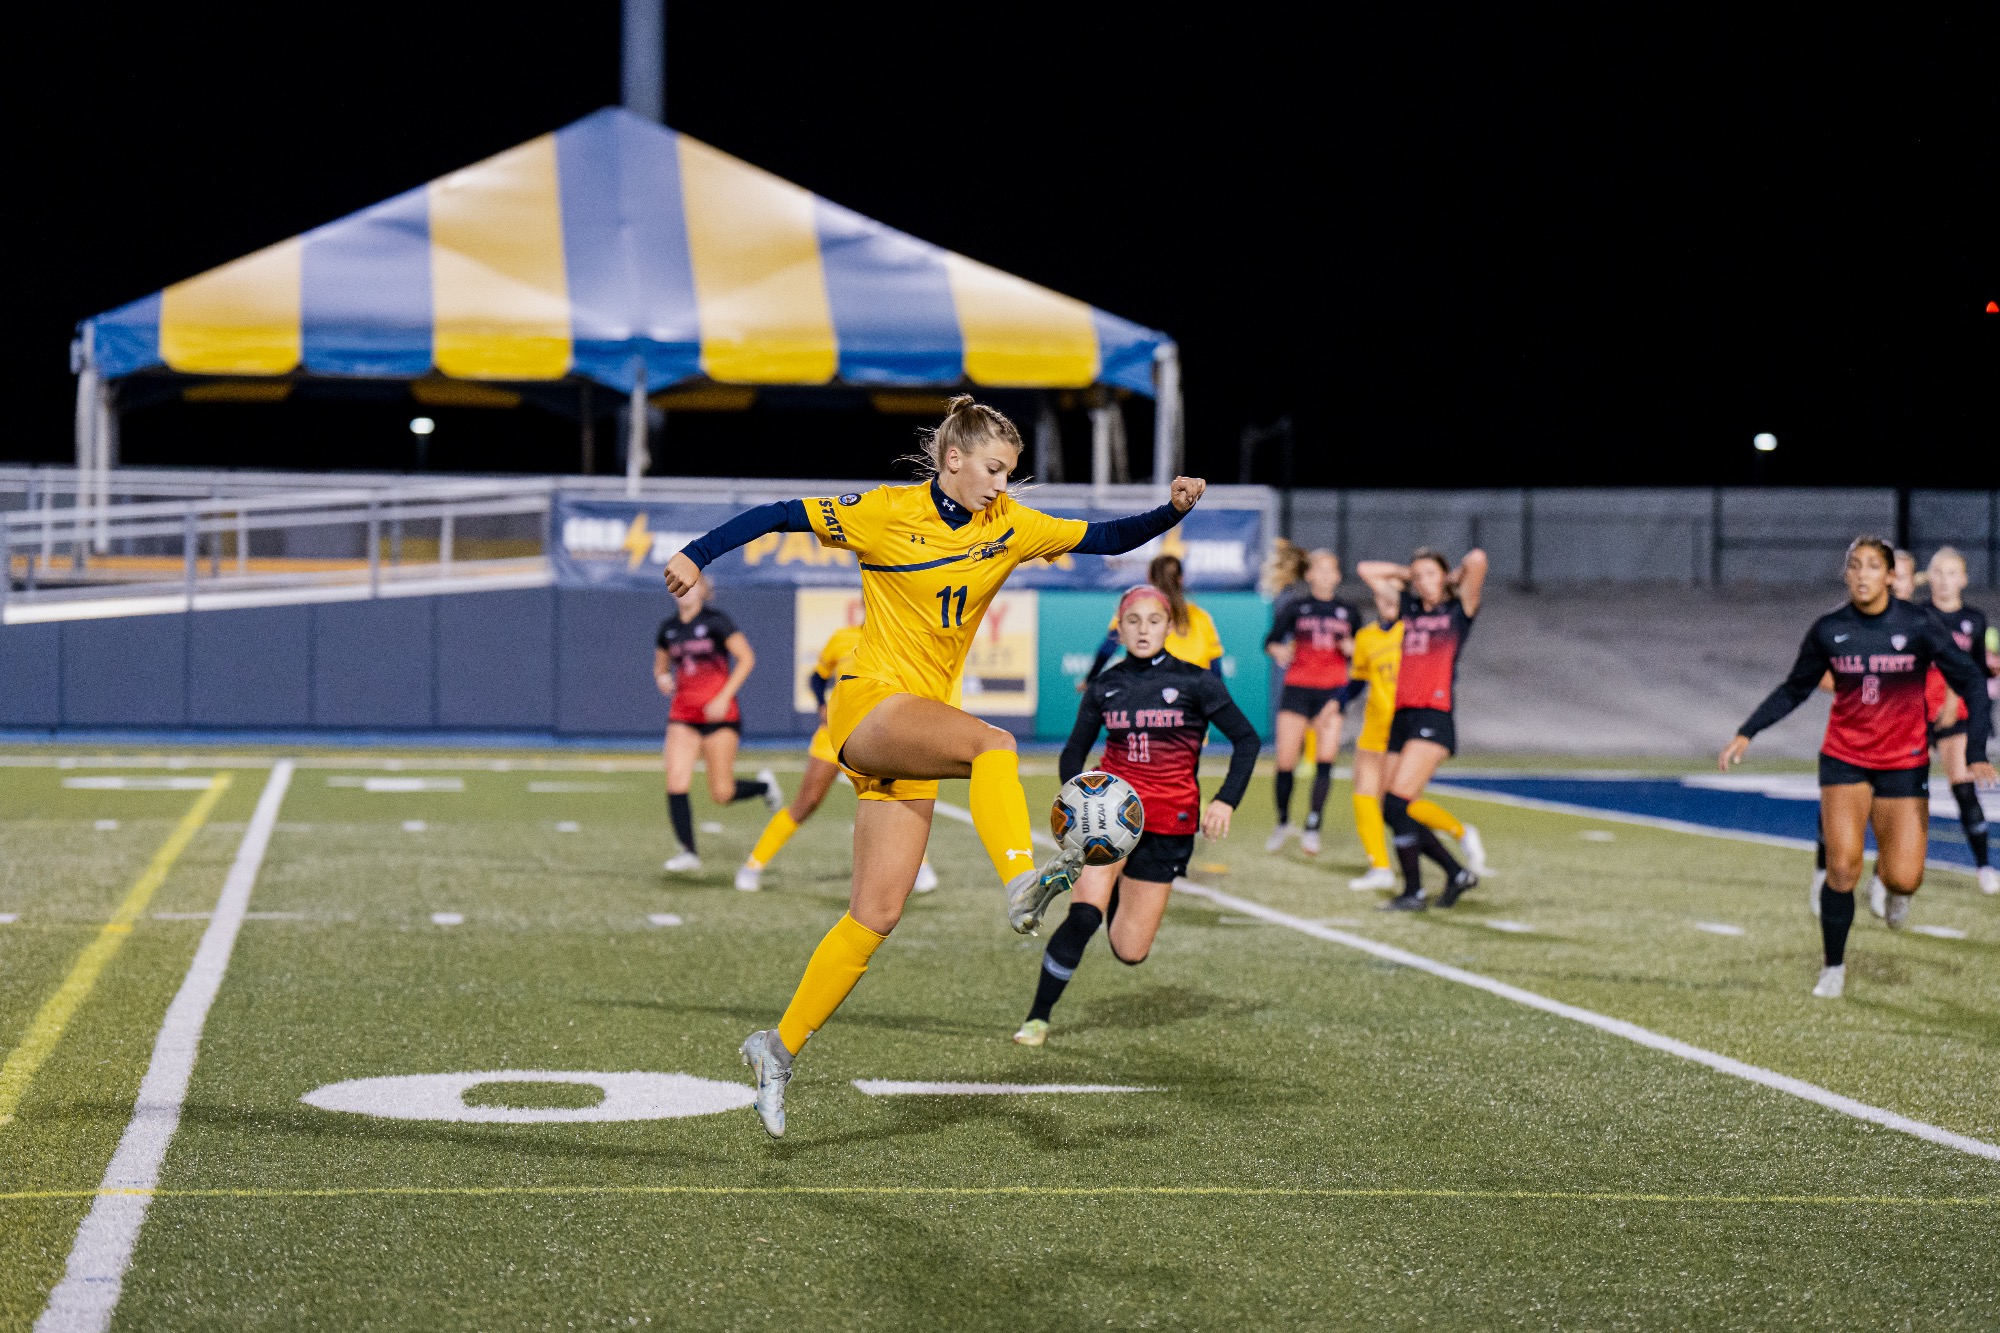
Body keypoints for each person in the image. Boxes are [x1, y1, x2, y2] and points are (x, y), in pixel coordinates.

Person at [662, 395, 1206, 1136]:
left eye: (1009, 473)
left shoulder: (1009, 524)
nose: (1002, 485)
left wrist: (1171, 510)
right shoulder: (884, 511)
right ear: (953, 460)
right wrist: (695, 553)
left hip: (912, 733)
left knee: (875, 915)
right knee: (995, 745)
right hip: (868, 705)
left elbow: (1106, 536)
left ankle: (777, 1049)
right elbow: (779, 513)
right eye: (993, 469)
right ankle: (1020, 879)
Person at [1722, 536, 1993, 999]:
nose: (1863, 574)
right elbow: (1795, 688)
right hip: (1845, 759)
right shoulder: (1829, 629)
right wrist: (1748, 731)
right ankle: (1833, 966)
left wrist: (1976, 752)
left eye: (1872, 566)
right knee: (1843, 869)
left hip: (1903, 763)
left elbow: (1971, 679)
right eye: (1855, 566)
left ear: (1890, 576)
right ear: (1846, 574)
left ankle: (1895, 890)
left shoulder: (1919, 624)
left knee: (1904, 877)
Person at [1015, 584, 1260, 1046]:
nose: (1143, 630)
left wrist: (1226, 799)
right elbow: (1074, 751)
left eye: (1153, 620)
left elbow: (1247, 740)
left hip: (1170, 825)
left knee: (1130, 951)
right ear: (1120, 628)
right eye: (1133, 621)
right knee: (1083, 917)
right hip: (1109, 821)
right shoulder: (1105, 685)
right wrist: (1077, 801)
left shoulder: (1197, 682)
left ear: (1169, 627)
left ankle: (1113, 890)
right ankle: (1037, 1019)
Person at [735, 616, 939, 894]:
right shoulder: (843, 638)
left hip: (881, 734)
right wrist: (821, 705)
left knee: (898, 800)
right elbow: (817, 678)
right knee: (807, 801)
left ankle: (920, 867)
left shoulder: (900, 639)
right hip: (837, 731)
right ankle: (753, 865)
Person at [1357, 546, 1489, 910]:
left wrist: (1451, 576)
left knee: (1398, 802)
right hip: (1402, 717)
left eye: (1431, 574)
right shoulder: (1410, 609)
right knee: (1391, 808)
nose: (1423, 582)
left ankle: (1423, 885)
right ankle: (1445, 878)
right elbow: (1367, 569)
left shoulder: (1457, 610)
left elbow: (1478, 559)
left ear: (1443, 577)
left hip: (1433, 716)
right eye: (1419, 577)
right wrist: (1410, 573)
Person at [655, 574, 782, 872]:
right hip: (683, 715)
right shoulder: (668, 629)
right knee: (676, 780)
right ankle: (688, 852)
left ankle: (763, 787)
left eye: (692, 585)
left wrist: (724, 697)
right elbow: (660, 667)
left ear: (703, 590)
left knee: (722, 793)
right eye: (681, 586)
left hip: (719, 716)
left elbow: (746, 658)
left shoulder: (716, 621)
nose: (686, 591)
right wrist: (662, 678)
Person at [1262, 550, 1357, 855]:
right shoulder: (1296, 607)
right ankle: (1282, 821)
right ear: (1309, 575)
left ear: (1338, 576)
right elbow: (1270, 641)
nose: (1326, 575)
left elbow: (1362, 653)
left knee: (1325, 759)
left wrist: (1353, 649)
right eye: (1320, 569)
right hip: (1297, 689)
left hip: (1332, 693)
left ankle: (1313, 826)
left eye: (1331, 570)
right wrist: (1278, 650)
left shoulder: (1348, 611)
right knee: (1285, 761)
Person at [1920, 546, 1998, 895]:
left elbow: (1977, 674)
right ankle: (1892, 869)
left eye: (1952, 573)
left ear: (1963, 579)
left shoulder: (1975, 620)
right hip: (1918, 713)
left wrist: (1956, 702)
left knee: (1964, 787)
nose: (1944, 580)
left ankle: (1984, 866)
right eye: (1938, 572)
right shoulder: (1918, 615)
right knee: (1905, 791)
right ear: (1929, 577)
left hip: (1958, 714)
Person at [1079, 553, 1224, 685]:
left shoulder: (1134, 612)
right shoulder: (1202, 617)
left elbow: (1107, 649)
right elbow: (1215, 666)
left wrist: (1090, 679)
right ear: (1181, 579)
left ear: (1149, 578)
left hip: (1155, 688)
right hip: (1196, 689)